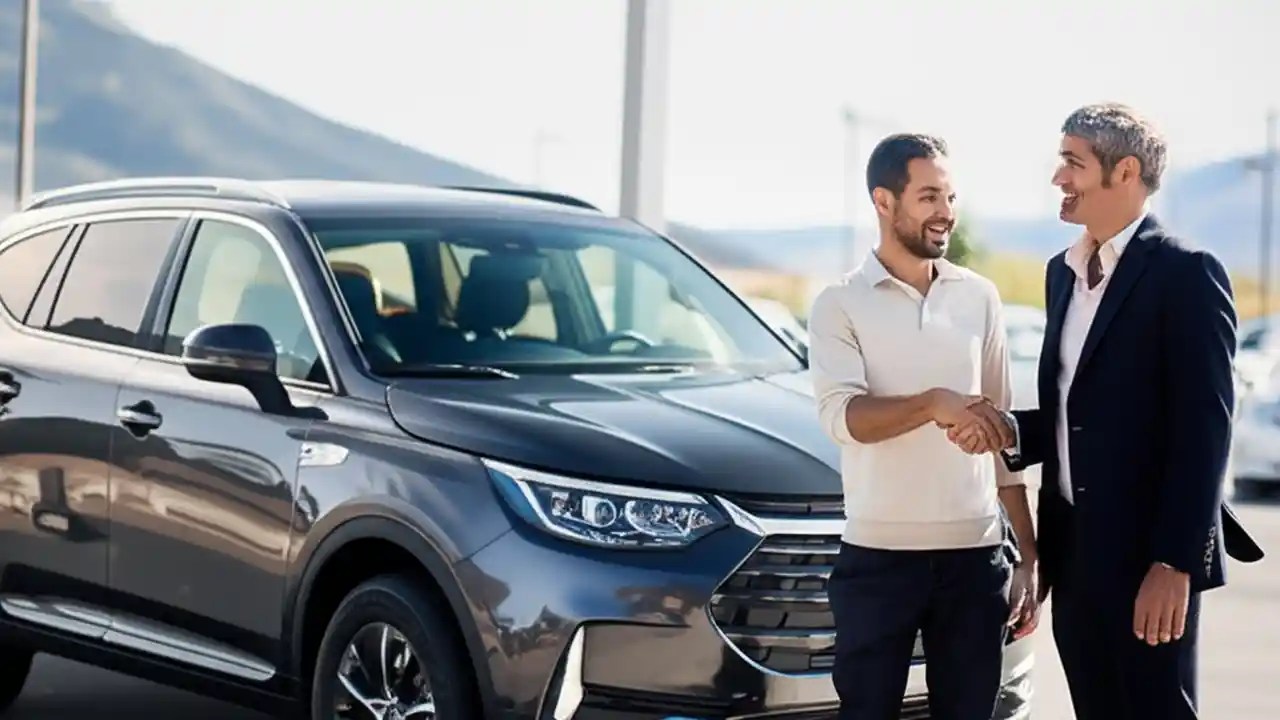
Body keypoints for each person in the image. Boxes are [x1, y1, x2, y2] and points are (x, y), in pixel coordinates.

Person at [949, 102, 1265, 720]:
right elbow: (1083, 409)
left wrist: (1175, 564)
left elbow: (1205, 430)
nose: (1058, 178)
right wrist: (1011, 429)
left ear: (1124, 172)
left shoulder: (1187, 273)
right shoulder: (1061, 275)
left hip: (1151, 556)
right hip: (1073, 552)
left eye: (1073, 162)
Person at [807, 133, 1039, 720]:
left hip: (976, 558)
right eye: (930, 196)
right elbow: (845, 418)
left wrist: (1029, 556)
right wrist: (934, 402)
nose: (947, 213)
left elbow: (1002, 434)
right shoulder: (839, 303)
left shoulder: (979, 297)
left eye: (951, 196)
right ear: (884, 202)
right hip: (878, 560)